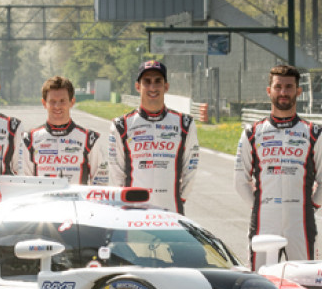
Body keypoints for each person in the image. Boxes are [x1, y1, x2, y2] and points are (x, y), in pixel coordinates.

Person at [234, 64, 322, 269]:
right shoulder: (252, 133)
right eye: (278, 86)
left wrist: (310, 206)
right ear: (269, 90)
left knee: (305, 279)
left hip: (301, 221)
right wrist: (259, 206)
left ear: (298, 91)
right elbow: (240, 180)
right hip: (264, 220)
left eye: (289, 87)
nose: (283, 92)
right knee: (260, 280)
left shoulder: (314, 133)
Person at [108, 60, 199, 213]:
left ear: (166, 86)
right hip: (134, 211)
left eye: (158, 81)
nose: (152, 87)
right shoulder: (121, 125)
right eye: (147, 81)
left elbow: (191, 169)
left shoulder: (185, 123)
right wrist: (126, 201)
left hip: (171, 210)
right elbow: (116, 172)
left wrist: (179, 198)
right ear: (138, 86)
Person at [16, 76, 107, 184]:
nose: (57, 106)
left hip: (77, 200)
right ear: (44, 103)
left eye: (62, 101)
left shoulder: (89, 139)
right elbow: (25, 182)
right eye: (52, 101)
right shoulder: (29, 139)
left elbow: (100, 182)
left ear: (72, 102)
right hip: (43, 200)